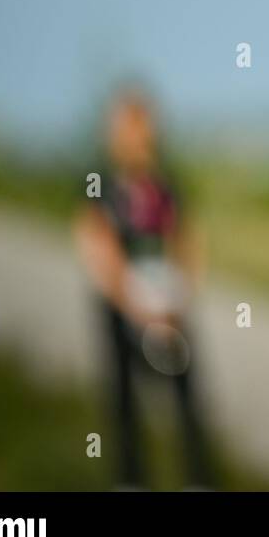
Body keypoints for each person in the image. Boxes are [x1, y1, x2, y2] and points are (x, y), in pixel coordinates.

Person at [73, 86, 215, 489]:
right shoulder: (100, 182)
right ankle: (130, 481)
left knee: (187, 400)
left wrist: (179, 295)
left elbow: (184, 238)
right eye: (132, 126)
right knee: (123, 401)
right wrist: (132, 299)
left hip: (169, 306)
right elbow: (95, 242)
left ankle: (197, 480)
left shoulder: (165, 184)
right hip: (122, 305)